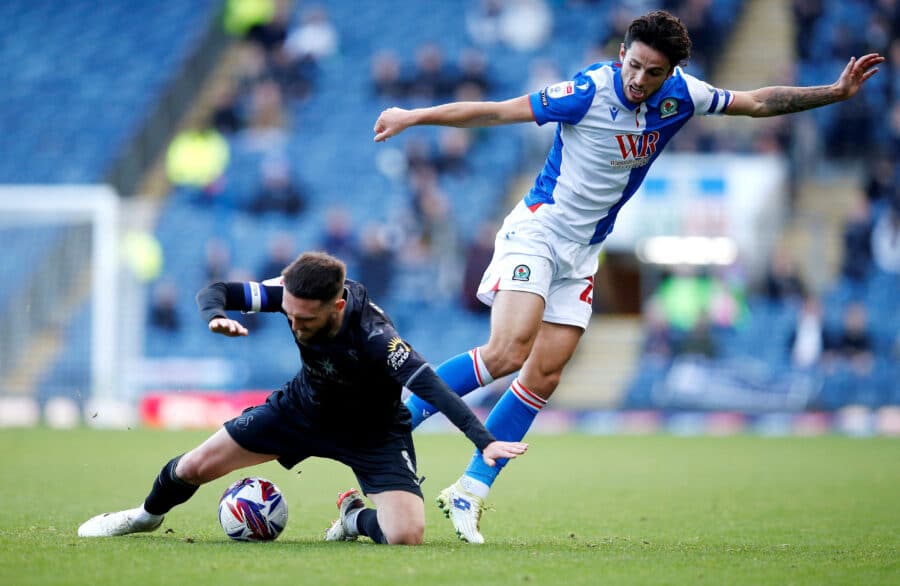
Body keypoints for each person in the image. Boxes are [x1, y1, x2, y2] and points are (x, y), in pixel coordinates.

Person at [373, 9, 884, 544]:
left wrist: (834, 91)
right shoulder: (586, 91)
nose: (640, 80)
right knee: (507, 353)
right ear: (622, 54)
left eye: (653, 72)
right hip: (539, 231)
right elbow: (498, 113)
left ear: (671, 73)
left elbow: (757, 103)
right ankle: (393, 424)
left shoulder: (683, 95)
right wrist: (415, 116)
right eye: (634, 66)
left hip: (584, 252)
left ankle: (470, 490)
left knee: (544, 376)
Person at [77, 251, 527, 545]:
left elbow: (429, 384)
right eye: (288, 314)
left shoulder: (375, 336)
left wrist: (482, 439)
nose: (294, 325)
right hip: (301, 412)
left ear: (336, 306)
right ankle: (143, 517)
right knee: (193, 467)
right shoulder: (292, 295)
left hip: (373, 433)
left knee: (406, 535)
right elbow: (216, 291)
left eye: (305, 320)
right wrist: (216, 316)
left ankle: (353, 519)